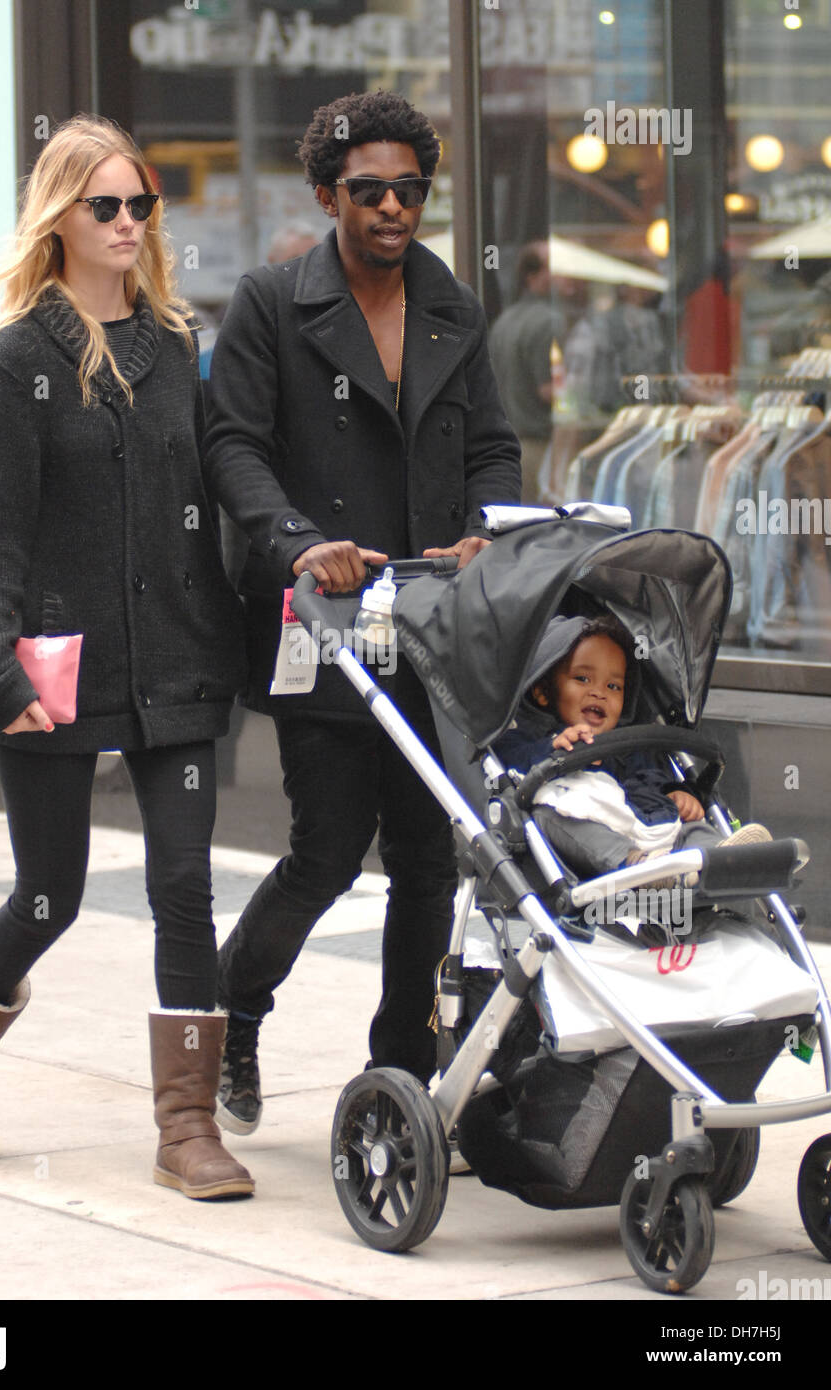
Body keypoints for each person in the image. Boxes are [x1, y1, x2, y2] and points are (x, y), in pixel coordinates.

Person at [0, 115, 254, 1201]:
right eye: (104, 204)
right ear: (58, 217)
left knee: (185, 886)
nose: (126, 221)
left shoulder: (175, 347)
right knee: (48, 895)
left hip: (180, 664)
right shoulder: (19, 360)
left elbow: (214, 494)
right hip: (56, 668)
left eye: (140, 204)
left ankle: (185, 1124)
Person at [202, 90, 521, 1133]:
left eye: (410, 191)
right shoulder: (269, 303)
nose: (392, 208)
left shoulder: (451, 306)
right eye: (369, 191)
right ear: (327, 194)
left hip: (429, 618)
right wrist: (299, 542)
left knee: (429, 862)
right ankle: (230, 1008)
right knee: (328, 848)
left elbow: (492, 447)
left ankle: (402, 1079)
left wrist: (482, 527)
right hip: (321, 622)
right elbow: (233, 448)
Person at [494, 614, 769, 879]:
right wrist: (551, 748)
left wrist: (677, 793)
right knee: (550, 815)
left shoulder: (630, 744)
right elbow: (509, 762)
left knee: (693, 828)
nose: (599, 692)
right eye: (583, 679)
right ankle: (635, 865)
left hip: (654, 836)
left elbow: (654, 779)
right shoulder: (530, 738)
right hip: (601, 839)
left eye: (614, 685)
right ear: (543, 692)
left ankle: (723, 859)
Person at [488, 241, 565, 501]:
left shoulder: (504, 321)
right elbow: (549, 390)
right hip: (541, 448)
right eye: (553, 268)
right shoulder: (548, 320)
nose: (562, 274)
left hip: (509, 447)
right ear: (533, 277)